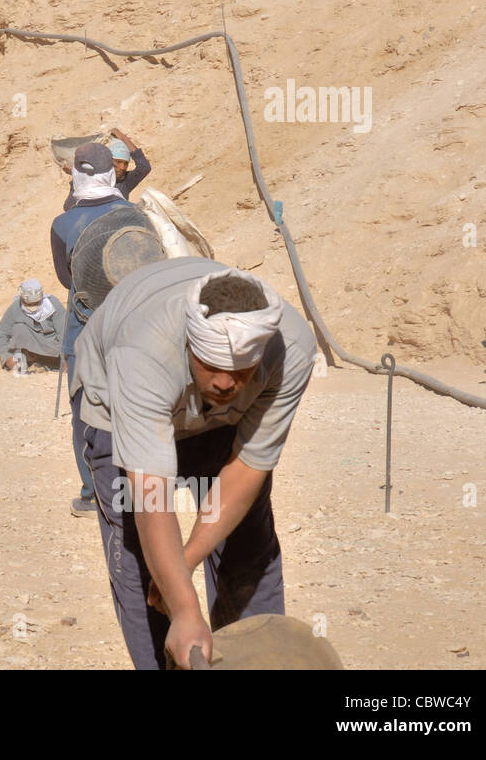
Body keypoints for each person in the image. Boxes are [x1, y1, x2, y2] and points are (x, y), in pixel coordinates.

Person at [69, 258, 315, 670]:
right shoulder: (144, 350)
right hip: (116, 402)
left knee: (248, 544)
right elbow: (151, 495)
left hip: (221, 418)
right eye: (211, 365)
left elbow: (247, 470)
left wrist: (183, 564)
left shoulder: (290, 349)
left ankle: (253, 661)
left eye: (239, 370)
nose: (224, 382)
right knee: (140, 560)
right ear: (189, 343)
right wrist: (183, 606)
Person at [51, 142, 134, 517]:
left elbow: (66, 279)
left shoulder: (62, 223)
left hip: (83, 330)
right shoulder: (135, 214)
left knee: (85, 411)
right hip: (133, 328)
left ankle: (91, 494)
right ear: (111, 173)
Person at [61, 128, 153, 211]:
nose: (123, 167)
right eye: (118, 162)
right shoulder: (87, 181)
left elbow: (144, 167)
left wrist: (123, 138)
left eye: (126, 163)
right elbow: (68, 208)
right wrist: (78, 176)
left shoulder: (124, 182)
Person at [0, 280, 66, 372]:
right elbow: (0, 335)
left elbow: (64, 335)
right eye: (29, 304)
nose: (32, 307)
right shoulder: (15, 308)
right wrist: (7, 358)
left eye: (36, 303)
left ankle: (47, 365)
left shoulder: (53, 305)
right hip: (28, 354)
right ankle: (25, 366)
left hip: (52, 351)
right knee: (19, 328)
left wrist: (66, 361)